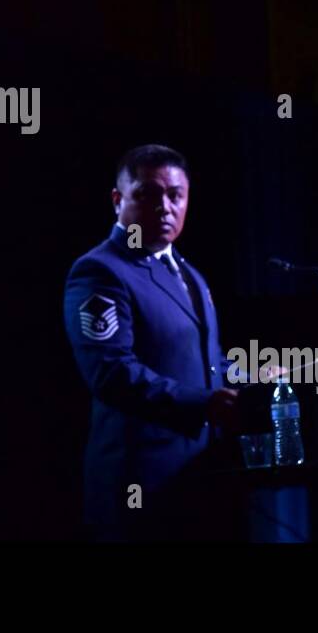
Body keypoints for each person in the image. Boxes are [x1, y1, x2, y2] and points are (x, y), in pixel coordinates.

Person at [63, 144, 247, 541]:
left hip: (199, 480)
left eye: (175, 195)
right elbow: (111, 372)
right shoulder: (99, 271)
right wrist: (205, 403)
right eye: (148, 193)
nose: (165, 206)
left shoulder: (189, 274)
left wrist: (247, 376)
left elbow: (203, 361)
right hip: (138, 489)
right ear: (118, 200)